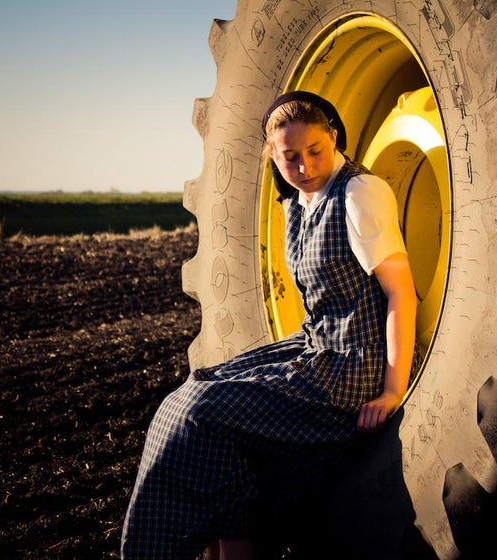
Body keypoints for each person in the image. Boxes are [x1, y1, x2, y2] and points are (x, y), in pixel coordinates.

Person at [120, 90, 417, 560]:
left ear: (334, 137)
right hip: (313, 348)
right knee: (187, 395)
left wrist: (391, 390)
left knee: (201, 410)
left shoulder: (360, 194)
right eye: (289, 158)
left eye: (315, 151)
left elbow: (400, 290)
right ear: (272, 156)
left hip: (348, 371)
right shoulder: (295, 203)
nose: (303, 166)